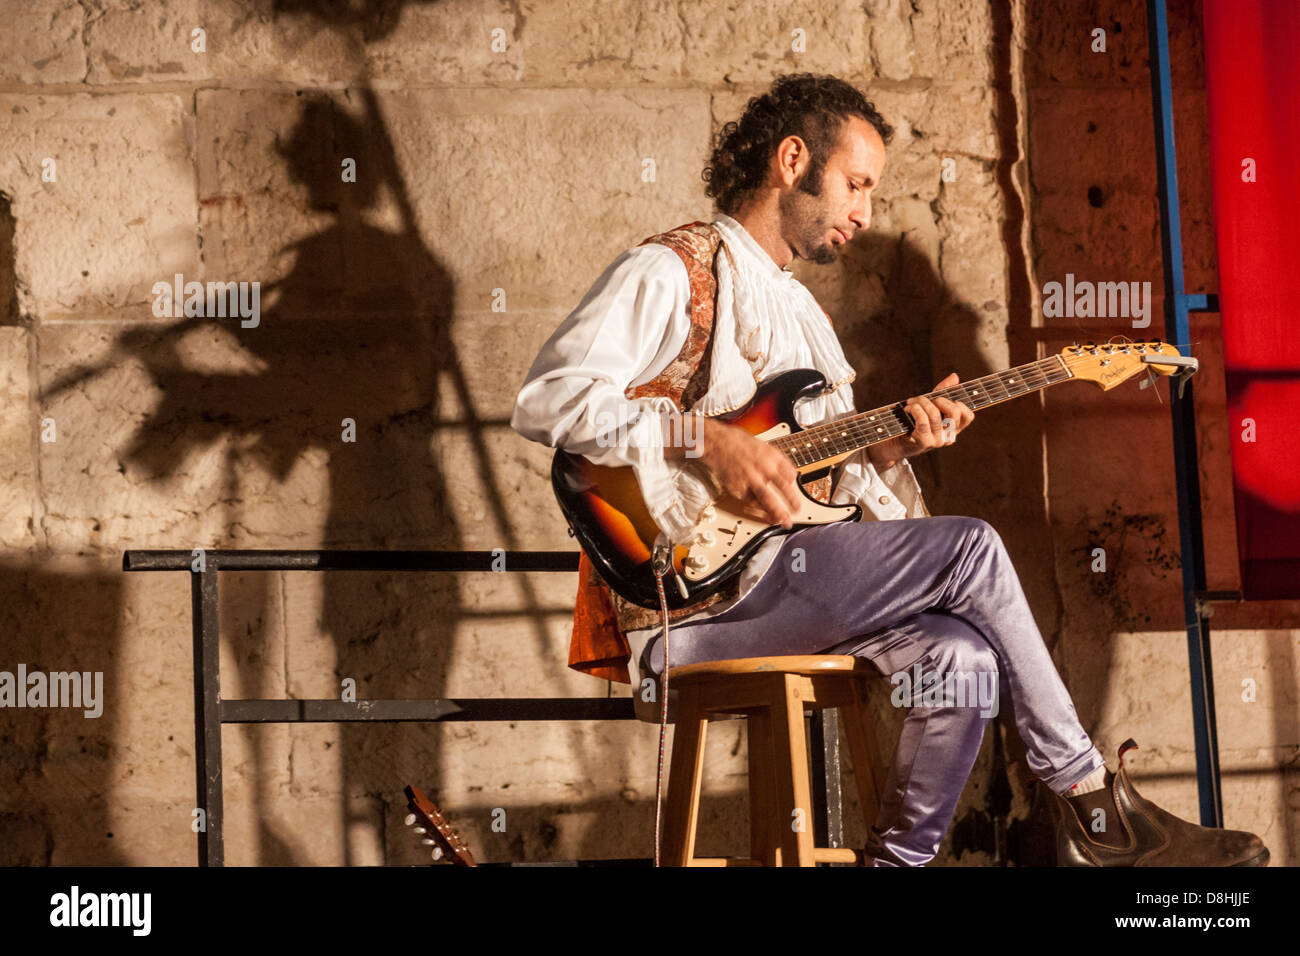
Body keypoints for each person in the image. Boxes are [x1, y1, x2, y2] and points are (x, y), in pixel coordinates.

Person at [510, 73, 1268, 867]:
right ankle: (1088, 804)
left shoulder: (802, 315)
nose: (864, 212)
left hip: (783, 574)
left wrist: (886, 449)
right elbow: (547, 400)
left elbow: (812, 486)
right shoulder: (674, 269)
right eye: (856, 184)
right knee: (970, 548)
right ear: (792, 159)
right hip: (688, 604)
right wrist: (708, 439)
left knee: (960, 662)